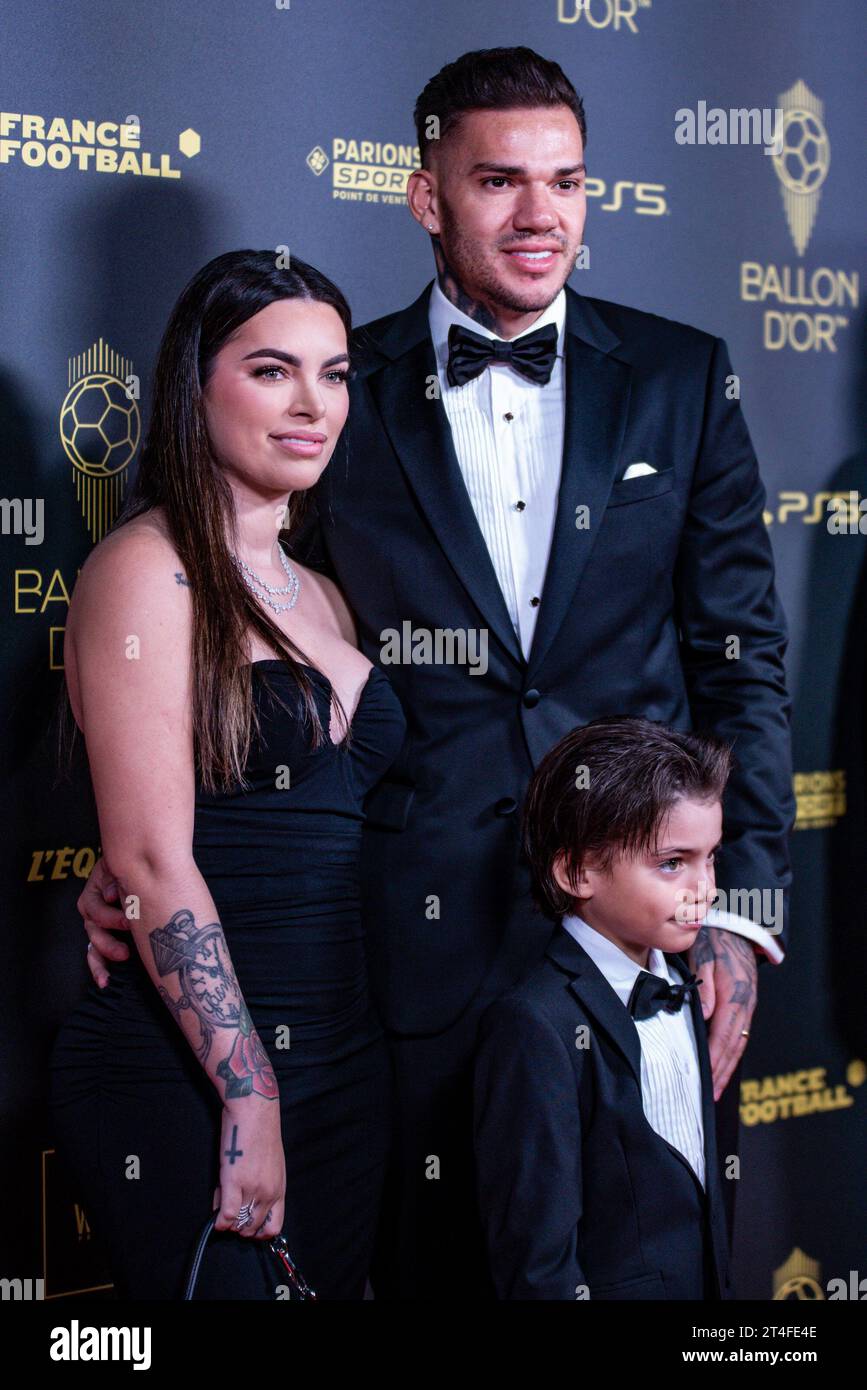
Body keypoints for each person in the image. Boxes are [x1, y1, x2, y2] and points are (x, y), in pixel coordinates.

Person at [77, 48, 795, 1299]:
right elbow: (235, 632)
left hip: (634, 933)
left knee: (648, 1271)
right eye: (499, 181)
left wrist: (742, 911)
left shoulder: (683, 378)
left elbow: (744, 662)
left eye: (566, 182)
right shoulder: (339, 392)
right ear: (426, 198)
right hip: (404, 955)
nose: (540, 216)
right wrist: (139, 859)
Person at [48, 250, 406, 1299]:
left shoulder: (328, 597)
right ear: (194, 384)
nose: (313, 404)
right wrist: (250, 1096)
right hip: (192, 1072)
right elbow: (151, 862)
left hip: (344, 1064)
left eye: (336, 375)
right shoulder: (144, 573)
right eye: (271, 371)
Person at [474, 716, 733, 1300]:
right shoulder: (535, 1026)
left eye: (711, 857)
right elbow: (536, 1260)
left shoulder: (683, 986)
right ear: (577, 871)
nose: (704, 888)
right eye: (672, 863)